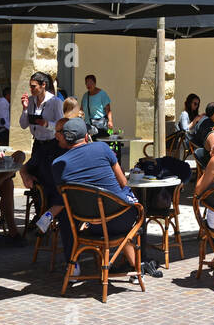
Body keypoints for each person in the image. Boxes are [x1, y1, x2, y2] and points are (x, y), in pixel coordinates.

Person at [50, 117, 150, 277]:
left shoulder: (58, 164)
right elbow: (123, 182)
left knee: (67, 213)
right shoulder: (102, 148)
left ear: (65, 138)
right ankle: (137, 267)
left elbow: (66, 197)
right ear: (85, 137)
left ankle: (73, 265)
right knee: (130, 206)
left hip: (89, 225)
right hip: (119, 220)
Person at [18, 71, 66, 208]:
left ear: (43, 85)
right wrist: (25, 109)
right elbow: (23, 124)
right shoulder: (31, 101)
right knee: (35, 178)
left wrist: (46, 124)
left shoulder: (55, 102)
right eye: (30, 86)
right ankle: (39, 209)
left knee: (48, 180)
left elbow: (60, 125)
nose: (31, 90)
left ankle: (49, 212)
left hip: (51, 145)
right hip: (37, 144)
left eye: (34, 86)